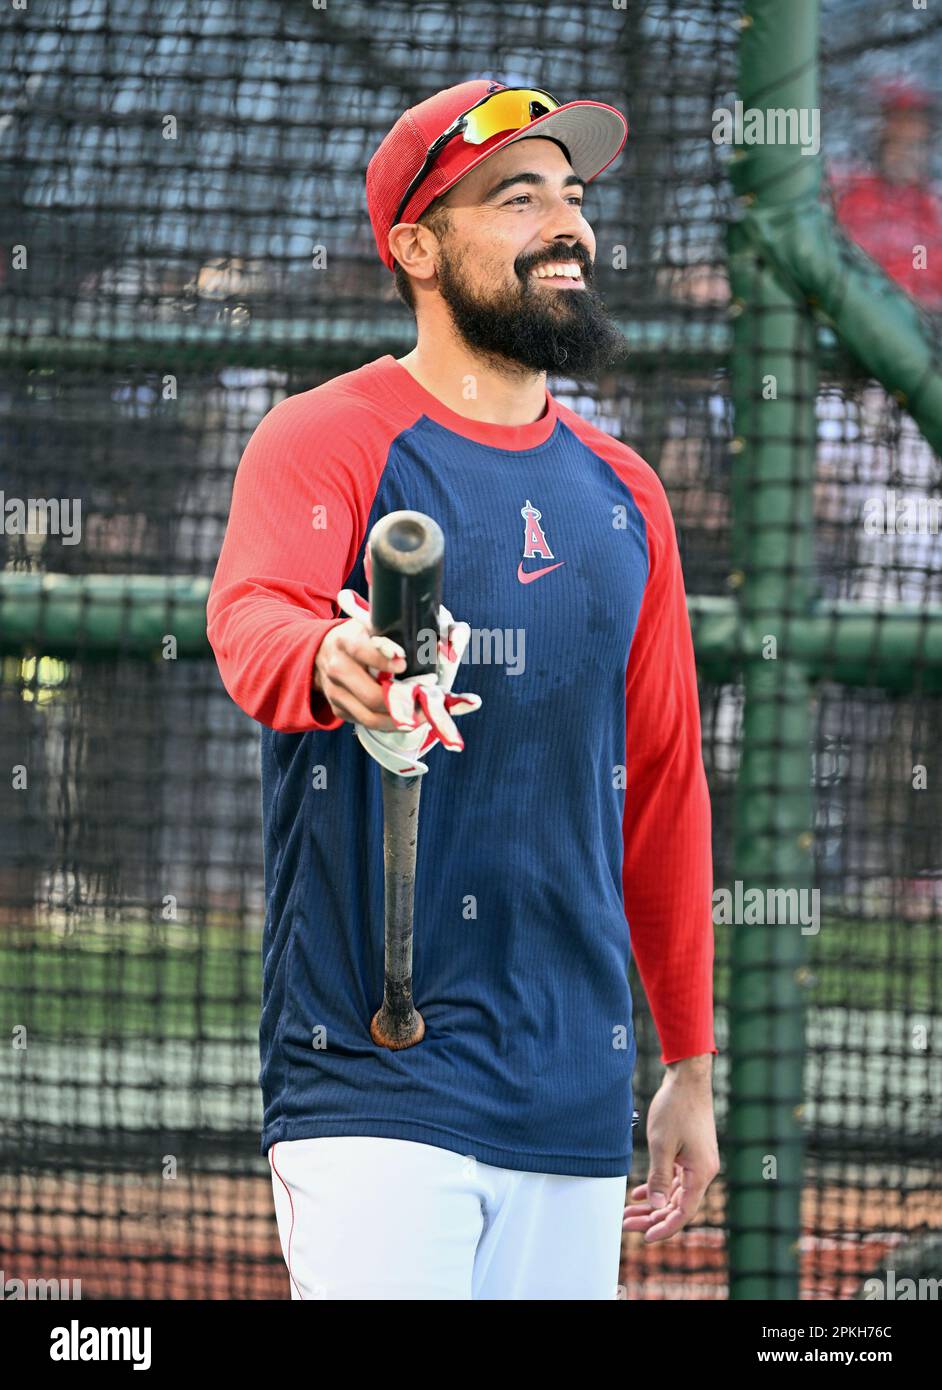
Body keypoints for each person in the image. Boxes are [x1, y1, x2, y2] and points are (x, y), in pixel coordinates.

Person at [206, 80, 719, 1300]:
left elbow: (663, 784)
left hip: (573, 1085)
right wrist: (329, 664)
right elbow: (252, 616)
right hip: (374, 1065)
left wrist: (689, 1063)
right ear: (417, 247)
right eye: (518, 196)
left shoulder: (627, 492)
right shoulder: (326, 435)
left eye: (574, 196)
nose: (568, 225)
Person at [830, 80, 942, 312]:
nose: (905, 155)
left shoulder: (931, 208)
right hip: (850, 307)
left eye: (914, 145)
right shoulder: (846, 189)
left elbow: (927, 274)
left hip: (915, 322)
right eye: (897, 143)